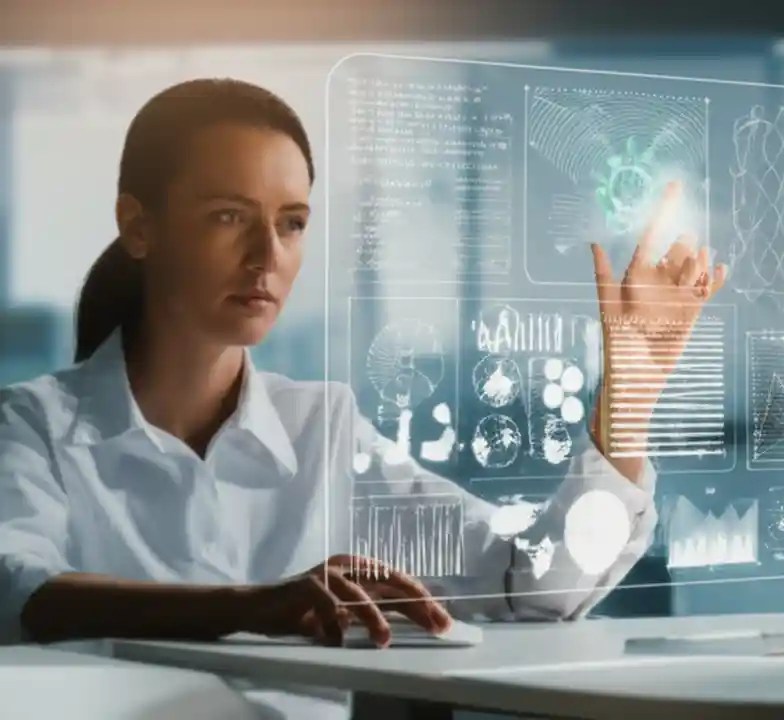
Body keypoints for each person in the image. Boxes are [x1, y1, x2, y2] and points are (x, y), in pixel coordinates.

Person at [0, 78, 727, 651]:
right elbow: (23, 595)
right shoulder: (31, 427)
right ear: (138, 226)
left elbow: (529, 586)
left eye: (291, 223)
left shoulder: (324, 430)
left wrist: (630, 394)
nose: (267, 255)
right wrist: (255, 607)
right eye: (228, 216)